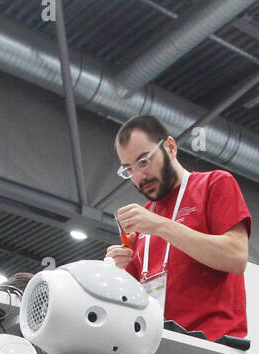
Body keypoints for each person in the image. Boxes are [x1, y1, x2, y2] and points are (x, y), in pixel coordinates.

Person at [105, 114, 251, 341]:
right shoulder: (143, 222)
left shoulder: (214, 184)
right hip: (156, 348)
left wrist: (161, 226)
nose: (139, 176)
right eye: (129, 170)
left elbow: (236, 256)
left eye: (144, 161)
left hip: (214, 348)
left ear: (170, 147)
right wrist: (119, 269)